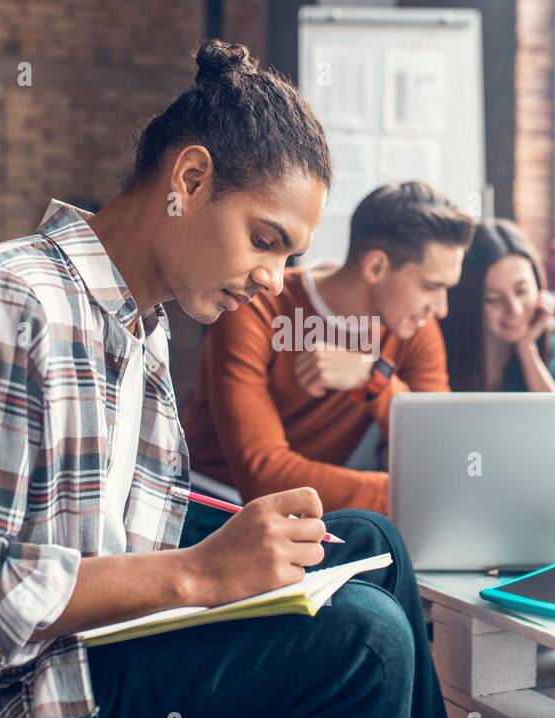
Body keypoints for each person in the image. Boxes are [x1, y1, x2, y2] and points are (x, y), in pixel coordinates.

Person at [0, 40, 456, 718]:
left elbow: (113, 539)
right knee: (364, 641)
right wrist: (199, 575)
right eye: (265, 240)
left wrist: (218, 564)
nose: (276, 281)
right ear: (189, 178)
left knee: (370, 547)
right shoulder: (4, 299)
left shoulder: (141, 328)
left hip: (84, 648)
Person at [182, 181, 475, 519]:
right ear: (376, 267)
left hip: (310, 511)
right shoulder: (256, 307)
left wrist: (373, 378)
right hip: (214, 504)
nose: (441, 309)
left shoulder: (415, 326)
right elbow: (261, 475)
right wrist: (412, 494)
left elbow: (440, 454)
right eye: (431, 287)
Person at [441, 218, 555, 393]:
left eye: (522, 291)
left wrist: (527, 351)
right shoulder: (444, 341)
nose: (514, 310)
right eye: (493, 299)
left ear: (537, 285)